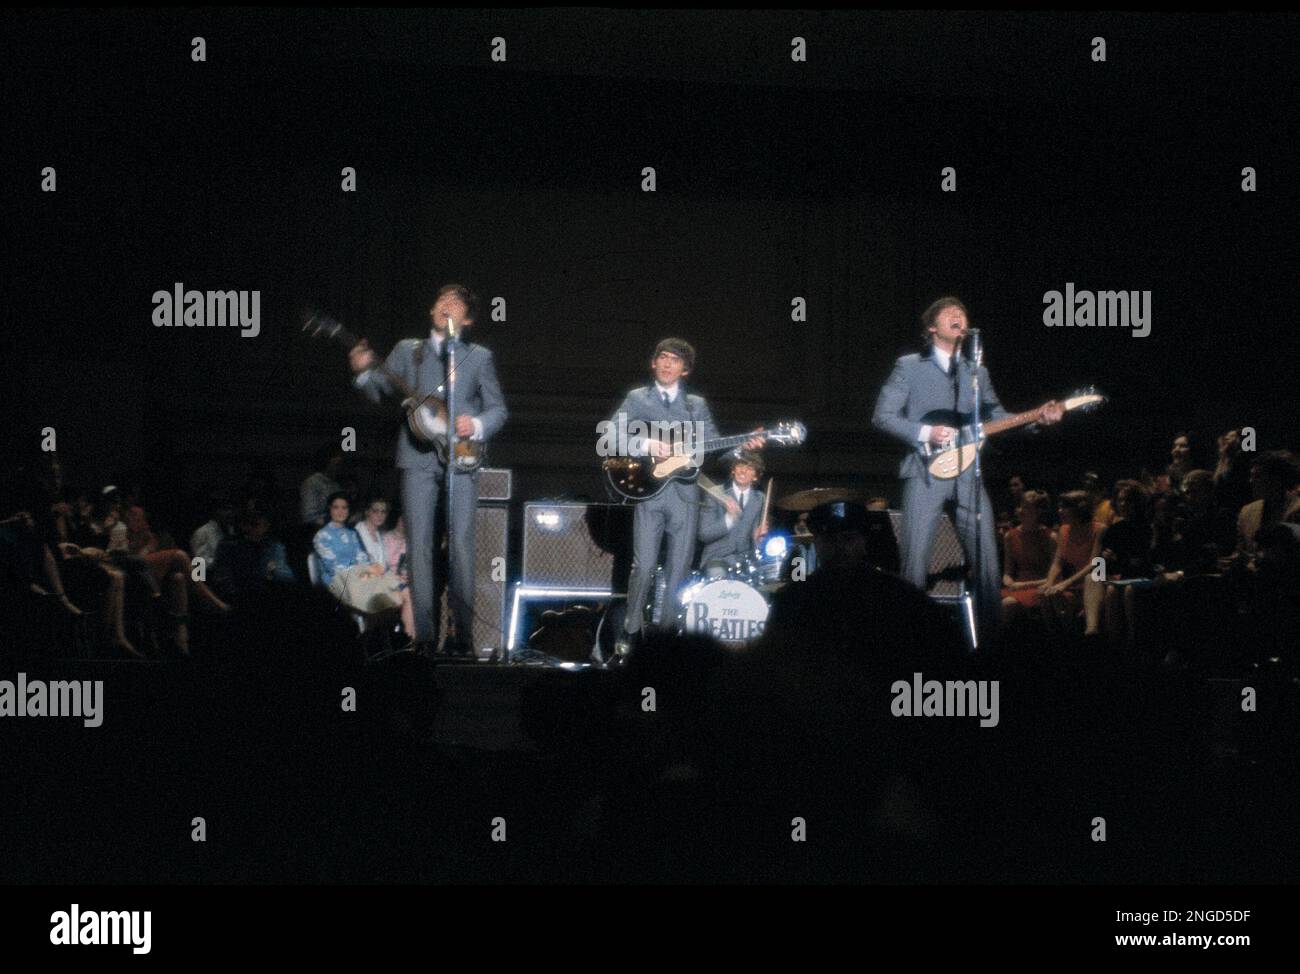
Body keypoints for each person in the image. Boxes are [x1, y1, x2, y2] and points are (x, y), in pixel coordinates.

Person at [871, 296, 1063, 643]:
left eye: (963, 312)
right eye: (950, 314)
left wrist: (1037, 419)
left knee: (987, 561)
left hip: (968, 473)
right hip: (925, 470)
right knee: (915, 560)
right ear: (932, 328)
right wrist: (926, 431)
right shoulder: (909, 366)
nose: (959, 315)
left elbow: (999, 418)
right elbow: (882, 416)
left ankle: (990, 644)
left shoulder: (977, 372)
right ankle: (907, 641)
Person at [348, 284, 507, 656]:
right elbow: (378, 391)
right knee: (419, 546)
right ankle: (423, 639)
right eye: (441, 301)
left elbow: (498, 409)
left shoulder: (478, 357)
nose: (445, 307)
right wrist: (361, 374)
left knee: (463, 547)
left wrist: (477, 424)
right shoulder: (409, 351)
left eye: (455, 305)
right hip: (417, 458)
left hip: (463, 459)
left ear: (466, 319)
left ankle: (463, 639)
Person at [607, 338, 763, 657]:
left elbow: (713, 445)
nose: (667, 364)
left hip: (685, 495)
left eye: (674, 361)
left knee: (679, 569)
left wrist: (742, 446)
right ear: (653, 363)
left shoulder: (696, 405)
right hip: (648, 492)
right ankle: (632, 629)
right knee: (645, 565)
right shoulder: (638, 398)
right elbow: (611, 434)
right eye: (662, 358)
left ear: (685, 370)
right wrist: (648, 446)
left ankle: (664, 639)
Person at [313, 493, 412, 639]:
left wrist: (371, 569)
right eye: (336, 507)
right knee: (382, 597)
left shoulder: (351, 533)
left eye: (344, 508)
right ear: (330, 509)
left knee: (405, 592)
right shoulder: (322, 535)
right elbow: (333, 565)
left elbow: (363, 557)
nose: (340, 511)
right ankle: (372, 639)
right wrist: (366, 571)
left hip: (361, 575)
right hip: (340, 580)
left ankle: (410, 641)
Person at [1039, 490, 1106, 636]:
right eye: (1059, 507)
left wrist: (1065, 583)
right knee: (1046, 594)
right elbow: (1058, 562)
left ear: (1079, 509)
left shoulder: (1099, 529)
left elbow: (1095, 564)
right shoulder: (1064, 530)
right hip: (1075, 584)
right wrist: (1050, 583)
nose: (1060, 511)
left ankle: (1086, 635)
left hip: (1095, 582)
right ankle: (1061, 638)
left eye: (1065, 507)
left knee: (1088, 580)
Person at [697, 450, 768, 568]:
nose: (743, 471)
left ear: (755, 477)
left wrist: (757, 538)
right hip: (717, 558)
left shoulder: (759, 498)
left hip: (745, 560)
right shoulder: (715, 493)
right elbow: (704, 534)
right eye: (740, 465)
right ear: (733, 470)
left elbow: (756, 540)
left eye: (750, 468)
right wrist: (729, 518)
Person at [1000, 489, 1056, 623]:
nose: (1020, 510)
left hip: (1041, 586)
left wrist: (1023, 585)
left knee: (1007, 604)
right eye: (1021, 505)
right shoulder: (1010, 536)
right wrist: (1008, 580)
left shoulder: (1051, 537)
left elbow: (1055, 577)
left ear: (1038, 512)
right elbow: (1008, 572)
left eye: (1026, 507)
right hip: (1017, 585)